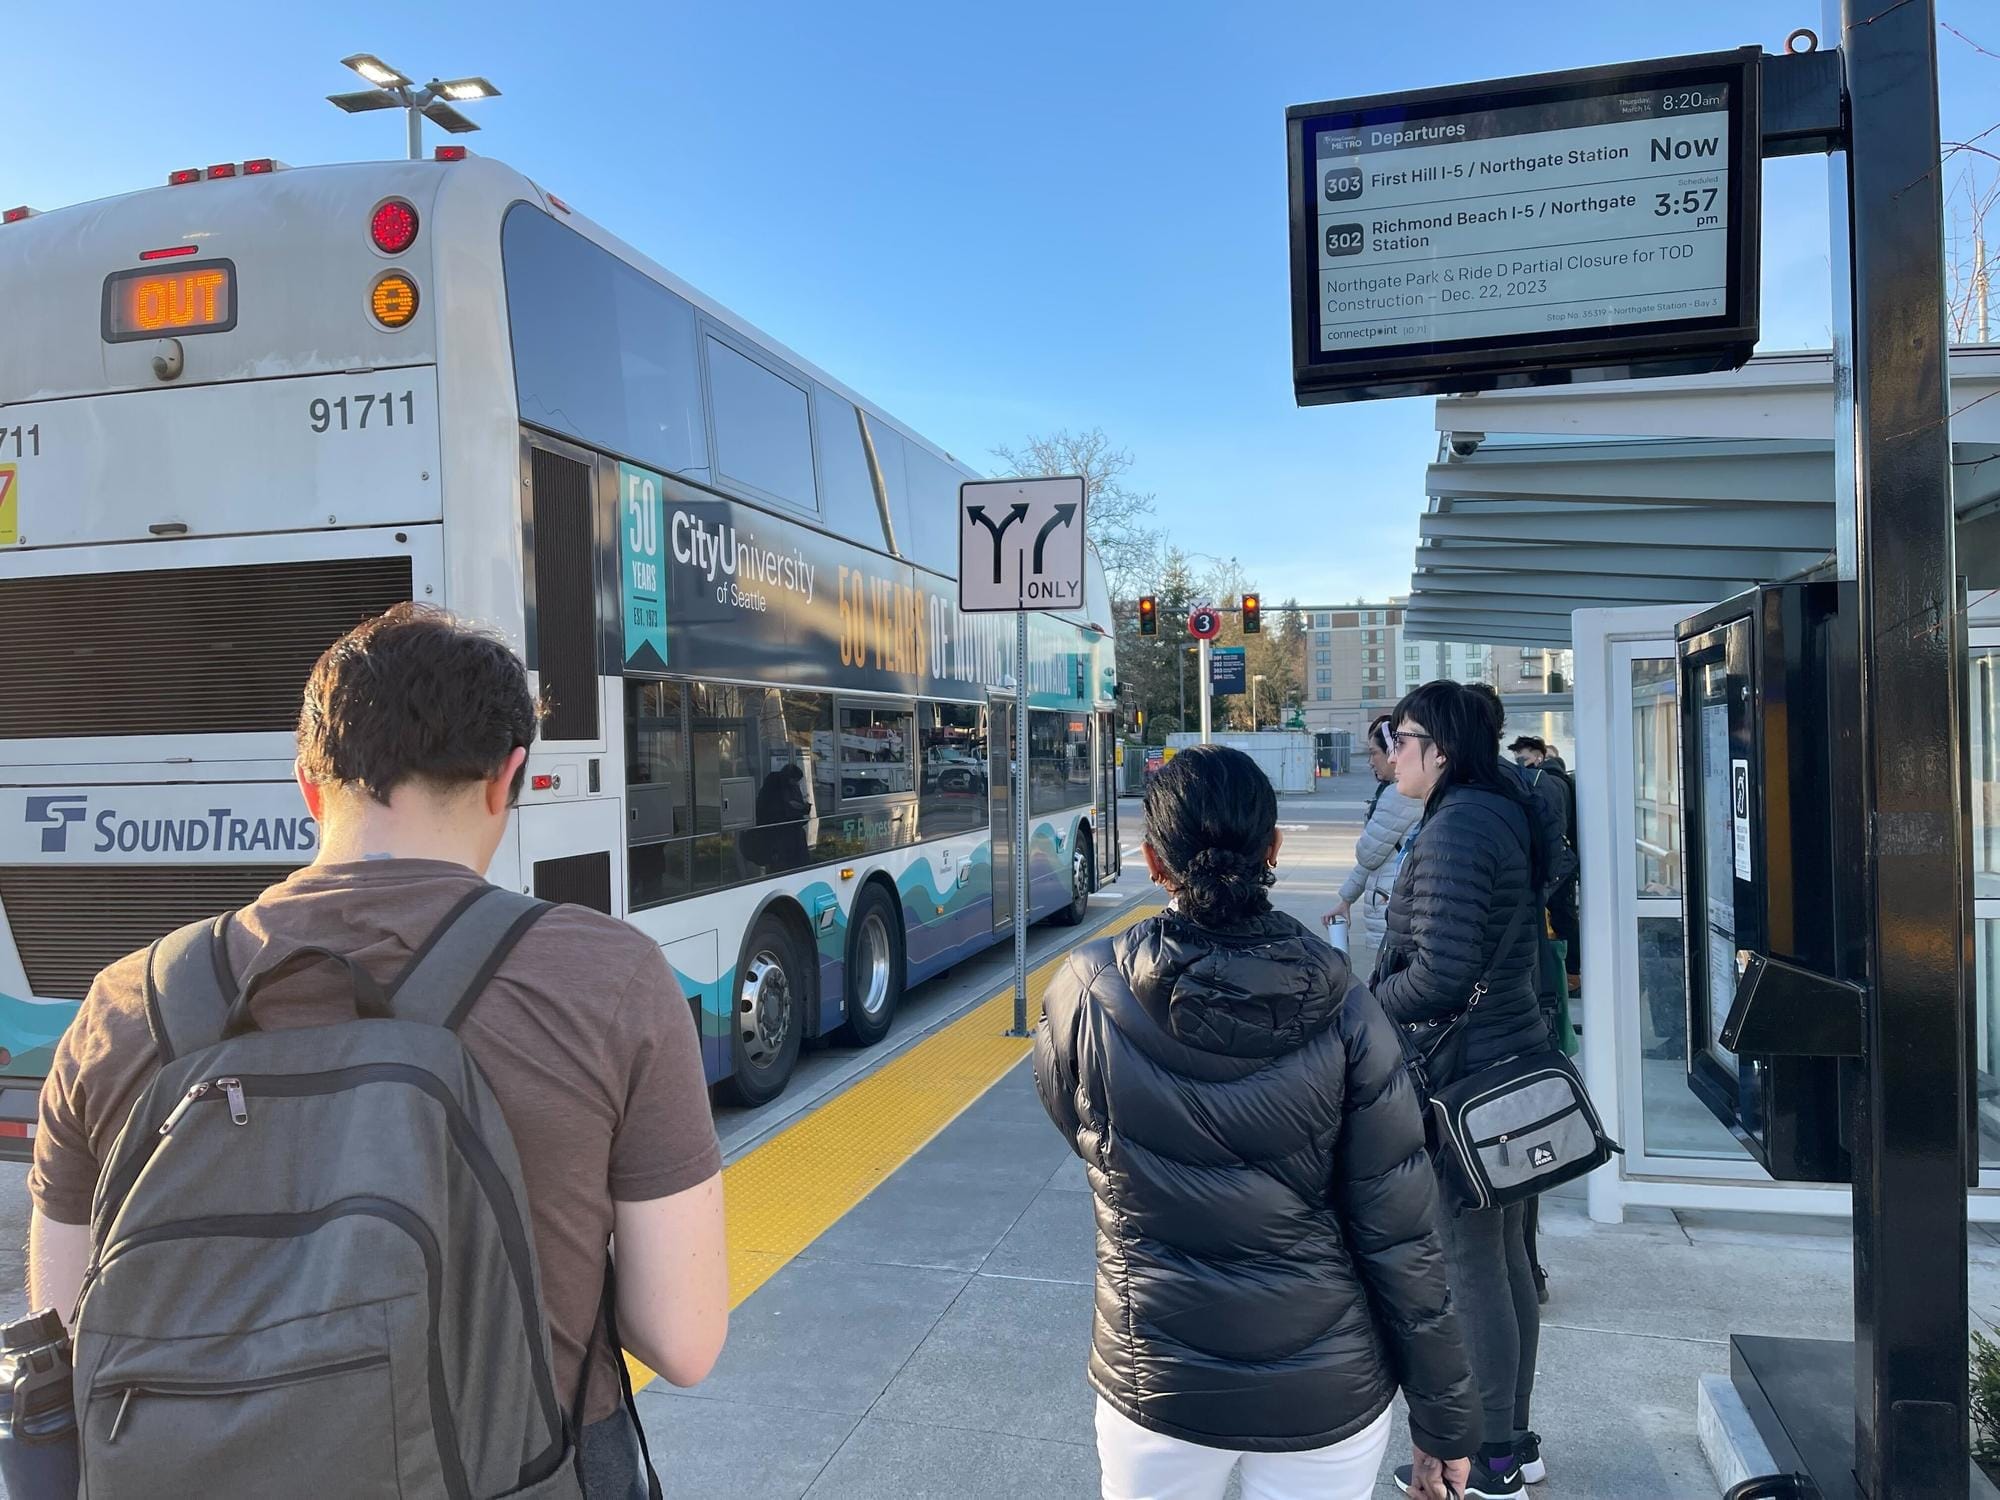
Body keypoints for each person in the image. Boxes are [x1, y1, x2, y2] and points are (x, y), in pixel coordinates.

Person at [27, 604, 730, 1498]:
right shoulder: (609, 979)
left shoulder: (126, 1002)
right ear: (505, 779)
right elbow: (684, 1338)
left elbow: (59, 1328)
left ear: (310, 789)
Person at [1034, 744, 1477, 1500]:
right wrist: (1444, 1423)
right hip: (1327, 1393)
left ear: (1151, 859)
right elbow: (1402, 1237)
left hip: (1157, 1383)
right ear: (1273, 849)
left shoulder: (1085, 990)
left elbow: (1074, 1117)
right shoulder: (1349, 1012)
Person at [1375, 682, 1551, 1499]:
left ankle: (1493, 1459)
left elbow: (1441, 975)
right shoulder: (1503, 809)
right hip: (1510, 1057)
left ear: (1440, 748)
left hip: (1465, 1076)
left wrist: (1367, 1008)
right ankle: (1513, 1438)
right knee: (1507, 1252)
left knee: (1470, 1261)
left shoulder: (1456, 830)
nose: (1391, 751)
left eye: (1400, 737)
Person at [1325, 713, 1421, 979]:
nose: (1371, 761)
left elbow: (1367, 854)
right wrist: (1346, 899)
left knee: (1389, 979)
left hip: (1393, 902)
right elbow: (1378, 857)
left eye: (1374, 753)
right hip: (1393, 896)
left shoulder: (1398, 795)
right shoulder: (1399, 793)